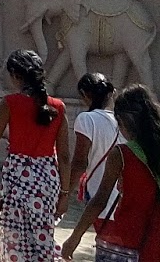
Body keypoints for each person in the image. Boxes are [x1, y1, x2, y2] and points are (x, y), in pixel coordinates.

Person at [0, 49, 73, 262]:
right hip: (47, 180)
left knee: (16, 238)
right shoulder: (58, 107)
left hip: (17, 176)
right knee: (43, 237)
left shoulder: (10, 103)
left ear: (16, 75)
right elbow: (65, 156)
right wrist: (65, 194)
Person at [62, 84, 160, 261]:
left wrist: (74, 237)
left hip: (126, 238)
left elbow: (100, 199)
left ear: (123, 121)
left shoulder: (122, 154)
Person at [67, 72, 120, 223]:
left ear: (85, 95)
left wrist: (65, 193)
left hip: (99, 194)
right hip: (121, 196)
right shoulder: (121, 120)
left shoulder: (86, 119)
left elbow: (79, 163)